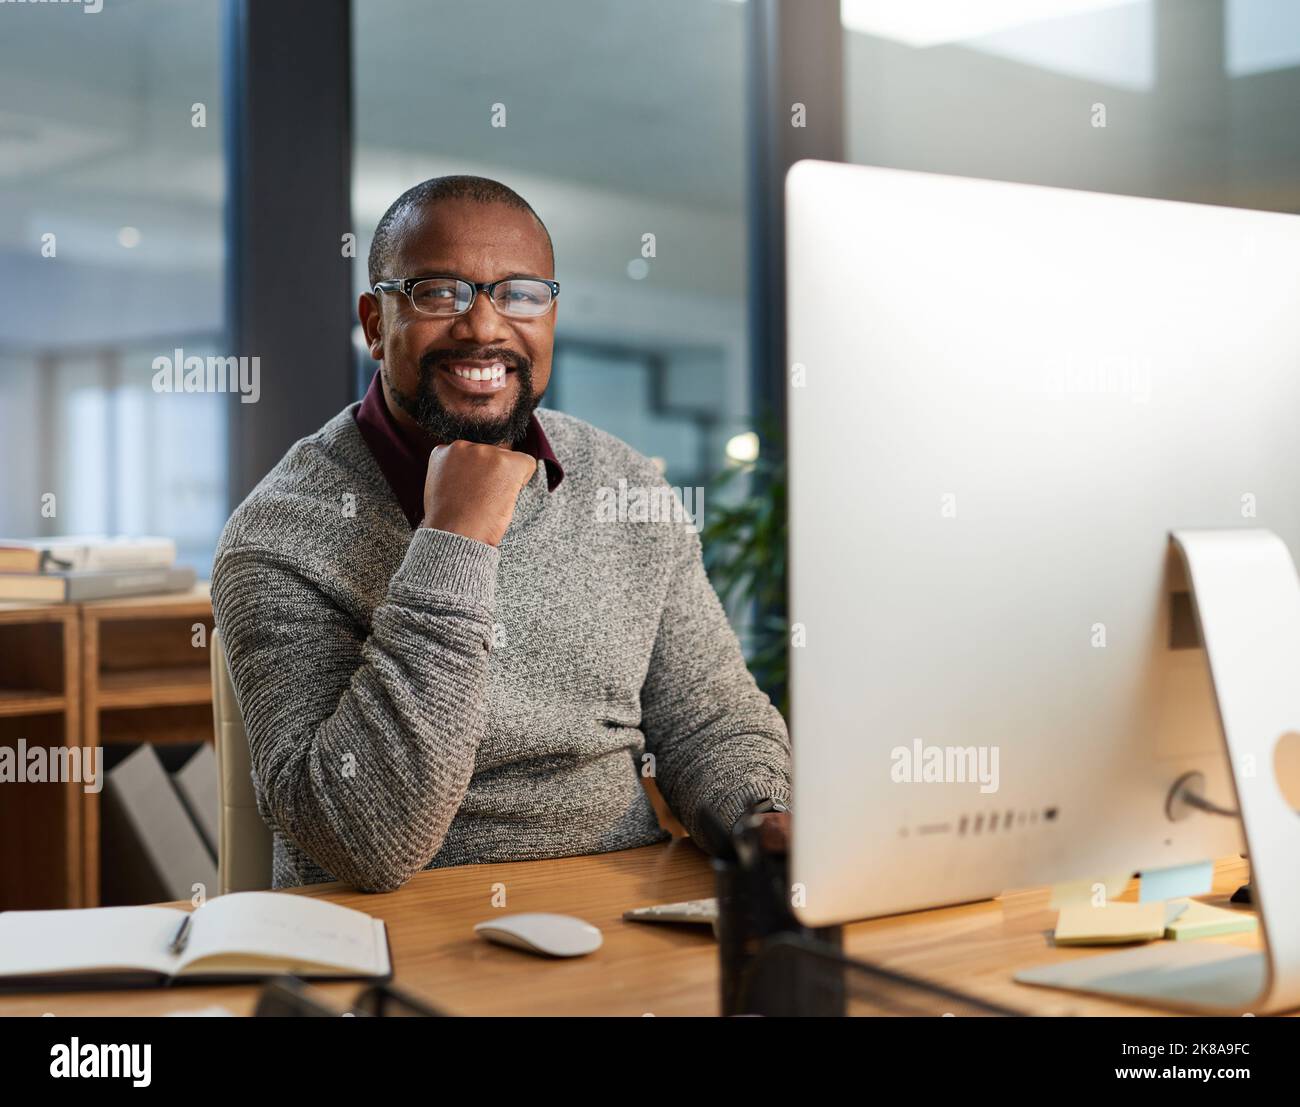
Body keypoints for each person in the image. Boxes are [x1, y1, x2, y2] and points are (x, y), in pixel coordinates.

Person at [212, 175, 791, 892]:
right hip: (400, 935)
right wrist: (456, 537)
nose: (484, 327)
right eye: (438, 292)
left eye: (519, 294)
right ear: (373, 322)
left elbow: (708, 719)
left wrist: (762, 818)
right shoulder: (279, 534)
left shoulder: (626, 485)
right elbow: (360, 841)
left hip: (621, 912)